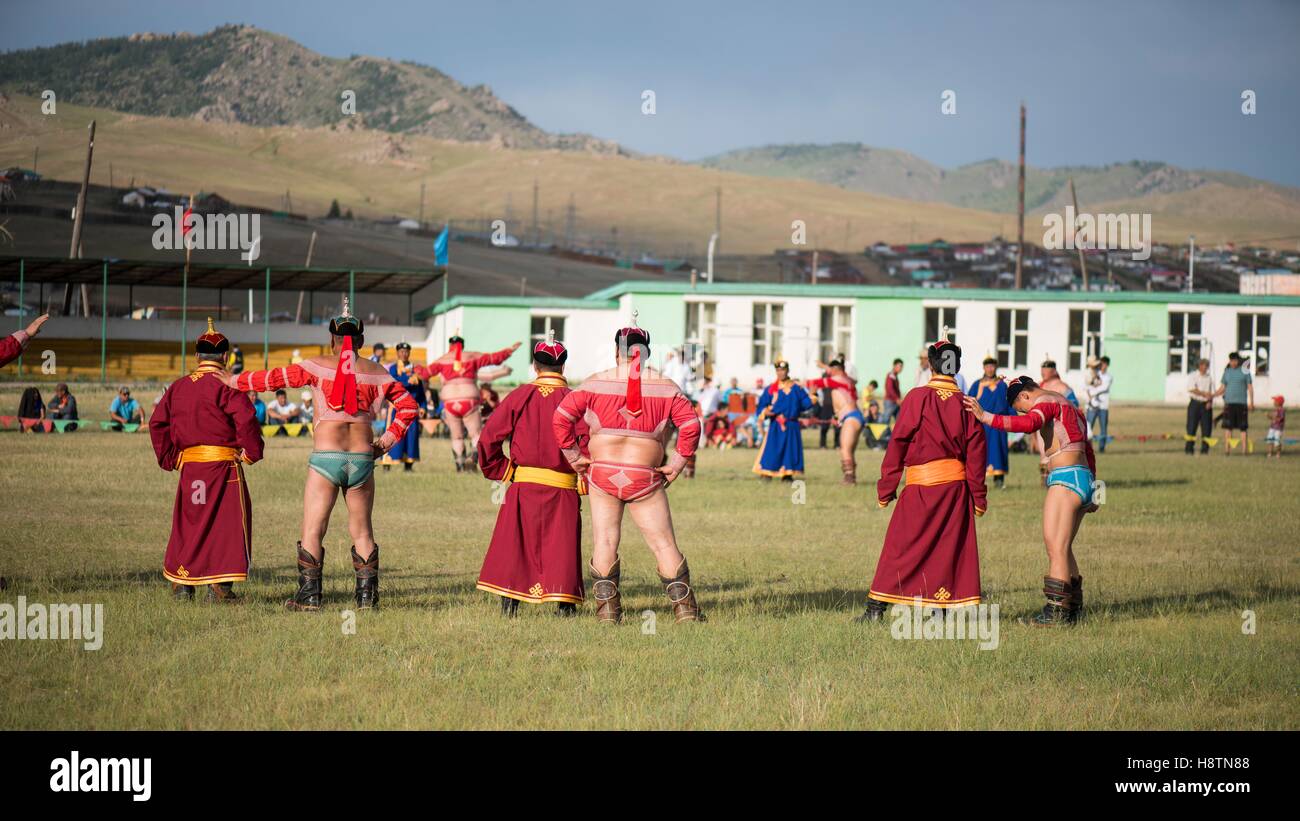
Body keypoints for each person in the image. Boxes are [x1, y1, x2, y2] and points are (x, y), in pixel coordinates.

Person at [228, 299, 419, 611]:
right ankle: (367, 600)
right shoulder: (378, 372)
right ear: (360, 341)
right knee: (362, 530)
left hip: (326, 458)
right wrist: (385, 442)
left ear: (332, 340)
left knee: (313, 528)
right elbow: (410, 407)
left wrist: (231, 381)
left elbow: (271, 380)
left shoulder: (315, 365)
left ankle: (310, 597)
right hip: (361, 460)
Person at [552, 323, 705, 624]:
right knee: (663, 544)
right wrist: (676, 464)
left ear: (615, 351)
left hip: (603, 473)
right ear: (646, 352)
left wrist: (574, 457)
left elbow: (561, 419)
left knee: (605, 541)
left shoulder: (594, 383)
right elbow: (691, 426)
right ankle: (685, 611)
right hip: (644, 476)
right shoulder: (667, 386)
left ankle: (608, 612)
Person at [857, 338, 987, 622]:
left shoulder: (917, 397)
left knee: (899, 547)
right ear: (958, 366)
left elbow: (898, 442)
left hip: (920, 487)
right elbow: (977, 455)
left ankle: (876, 609)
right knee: (945, 548)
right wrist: (978, 497)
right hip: (955, 490)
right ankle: (940, 611)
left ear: (930, 364)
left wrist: (886, 487)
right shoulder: (968, 405)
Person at [963, 375, 1098, 625]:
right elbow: (1088, 448)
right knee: (1064, 546)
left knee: (1055, 547)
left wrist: (986, 417)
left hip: (1065, 478)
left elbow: (1029, 423)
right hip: (1083, 478)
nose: (1024, 411)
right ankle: (1072, 608)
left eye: (1020, 407)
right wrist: (1095, 490)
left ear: (1025, 395)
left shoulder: (1045, 401)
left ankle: (1056, 612)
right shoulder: (1071, 406)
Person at [149, 319, 264, 602]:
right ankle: (220, 589)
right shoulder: (228, 385)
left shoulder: (178, 387)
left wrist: (172, 458)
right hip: (223, 469)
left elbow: (157, 423)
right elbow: (246, 418)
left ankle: (183, 585)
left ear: (197, 356)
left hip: (190, 469)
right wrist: (251, 453)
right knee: (225, 527)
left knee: (189, 523)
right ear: (225, 357)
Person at [477, 334, 586, 617]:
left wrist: (503, 469)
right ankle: (564, 605)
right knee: (562, 544)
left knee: (516, 543)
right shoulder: (575, 399)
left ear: (535, 367)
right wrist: (584, 478)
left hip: (523, 483)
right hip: (563, 485)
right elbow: (587, 443)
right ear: (563, 367)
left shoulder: (519, 396)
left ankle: (510, 603)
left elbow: (488, 437)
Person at [425, 334, 520, 472]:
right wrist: (510, 350)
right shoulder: (471, 356)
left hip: (450, 402)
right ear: (462, 346)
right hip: (468, 400)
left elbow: (424, 373)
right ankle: (474, 457)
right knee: (475, 434)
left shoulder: (441, 360)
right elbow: (494, 358)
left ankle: (459, 465)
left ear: (450, 345)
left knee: (456, 437)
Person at [806, 358, 864, 484]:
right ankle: (851, 477)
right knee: (849, 450)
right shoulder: (847, 380)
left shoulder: (837, 379)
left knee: (844, 449)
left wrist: (796, 384)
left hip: (851, 417)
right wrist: (824, 366)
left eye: (830, 370)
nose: (828, 373)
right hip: (854, 416)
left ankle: (849, 478)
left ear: (836, 370)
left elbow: (814, 383)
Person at [752, 360, 812, 480]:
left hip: (792, 424)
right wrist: (765, 411)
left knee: (790, 450)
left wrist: (813, 395)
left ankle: (787, 474)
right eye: (778, 370)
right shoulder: (771, 389)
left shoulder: (796, 388)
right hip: (776, 424)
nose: (781, 373)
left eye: (783, 370)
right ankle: (767, 473)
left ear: (788, 371)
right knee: (772, 449)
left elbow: (805, 404)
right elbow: (761, 405)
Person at [968, 355, 1011, 488]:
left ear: (995, 367)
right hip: (982, 425)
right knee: (980, 452)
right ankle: (979, 481)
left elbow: (1010, 405)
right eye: (987, 366)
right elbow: (970, 402)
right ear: (984, 368)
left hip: (999, 425)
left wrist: (1013, 423)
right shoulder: (977, 385)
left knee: (999, 451)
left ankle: (999, 481)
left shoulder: (1002, 385)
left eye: (992, 366)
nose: (990, 369)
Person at [384, 341, 427, 472]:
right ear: (397, 353)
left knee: (411, 437)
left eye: (406, 351)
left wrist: (423, 406)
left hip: (412, 408)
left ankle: (409, 465)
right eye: (401, 351)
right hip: (397, 408)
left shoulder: (415, 370)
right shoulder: (393, 368)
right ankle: (388, 462)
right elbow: (394, 382)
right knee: (393, 435)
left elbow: (420, 391)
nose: (404, 354)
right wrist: (407, 380)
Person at [1215, 351, 1254, 456]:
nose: (1233, 363)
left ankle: (1244, 450)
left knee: (1243, 427)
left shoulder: (1245, 372)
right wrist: (1213, 395)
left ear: (1238, 360)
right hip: (1229, 403)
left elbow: (1250, 387)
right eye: (1231, 361)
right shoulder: (1227, 372)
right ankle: (1227, 450)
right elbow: (1222, 387)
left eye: (1235, 360)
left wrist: (1251, 402)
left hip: (1241, 403)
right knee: (1228, 427)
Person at [1185, 358, 1215, 455]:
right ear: (1199, 366)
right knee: (1191, 427)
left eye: (1206, 366)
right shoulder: (1193, 376)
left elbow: (1211, 392)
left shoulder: (1209, 378)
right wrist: (1203, 394)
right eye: (1203, 365)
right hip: (1195, 403)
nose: (1205, 368)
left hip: (1205, 405)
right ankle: (1189, 448)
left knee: (1206, 428)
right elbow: (1192, 389)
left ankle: (1205, 450)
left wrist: (1210, 401)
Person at [1086, 356, 1112, 453]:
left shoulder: (1109, 377)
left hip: (1103, 406)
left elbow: (1103, 388)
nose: (1102, 366)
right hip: (1092, 405)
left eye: (1104, 364)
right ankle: (1086, 448)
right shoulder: (1095, 374)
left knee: (1103, 428)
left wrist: (1092, 392)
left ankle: (1101, 448)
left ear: (1107, 365)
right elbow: (1089, 385)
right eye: (1101, 364)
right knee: (1088, 427)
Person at [883, 359, 904, 423]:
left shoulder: (895, 376)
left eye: (902, 367)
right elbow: (890, 389)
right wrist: (897, 399)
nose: (901, 368)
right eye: (899, 366)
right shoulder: (891, 375)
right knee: (885, 421)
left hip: (895, 402)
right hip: (890, 401)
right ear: (894, 366)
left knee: (899, 420)